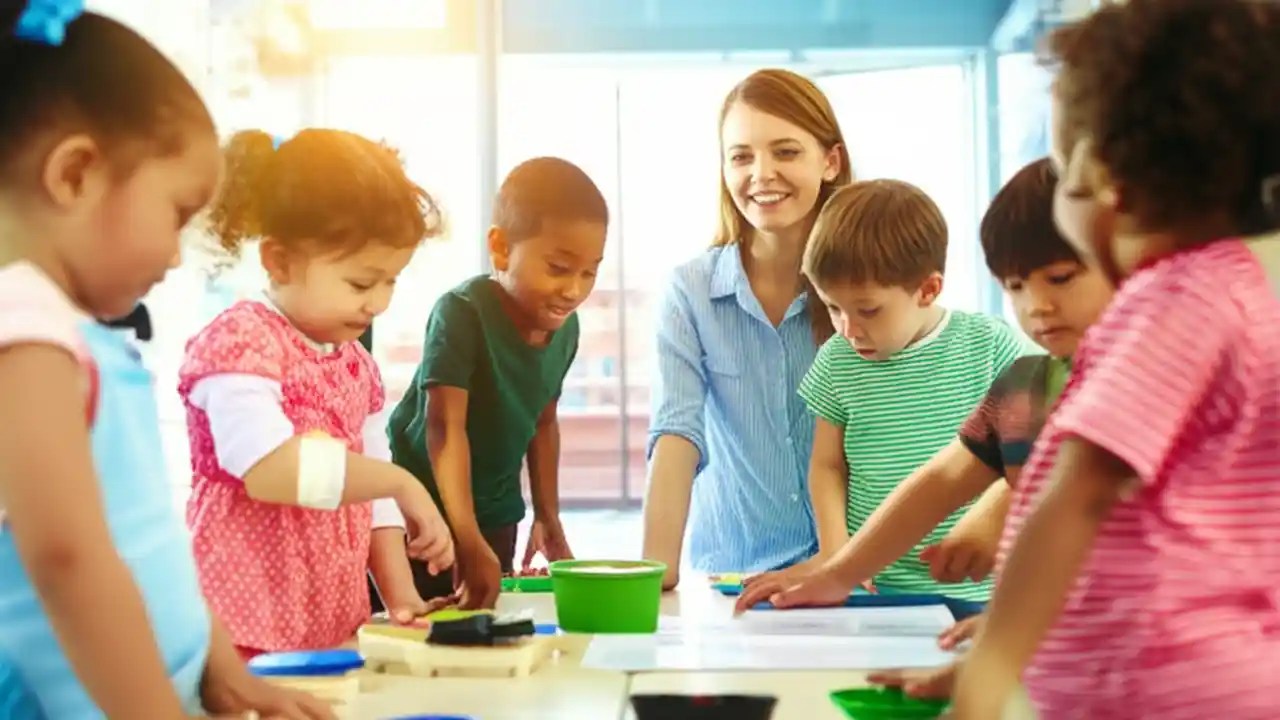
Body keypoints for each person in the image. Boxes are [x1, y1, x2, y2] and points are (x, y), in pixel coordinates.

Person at [0, 5, 331, 718]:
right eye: (176, 213)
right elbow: (67, 559)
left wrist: (218, 664)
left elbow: (141, 533)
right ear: (76, 175)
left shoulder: (70, 331)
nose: (178, 253)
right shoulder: (19, 322)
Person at [952, 1, 1280, 717]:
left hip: (1152, 687)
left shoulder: (1175, 298)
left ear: (1103, 181)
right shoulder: (1252, 292)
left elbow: (1082, 492)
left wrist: (986, 678)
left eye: (1064, 168)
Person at [742, 158, 1113, 696]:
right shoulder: (1028, 384)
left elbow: (1074, 505)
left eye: (1059, 279)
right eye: (1015, 285)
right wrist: (838, 571)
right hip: (1066, 658)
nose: (1037, 306)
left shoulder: (1132, 377)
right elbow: (944, 478)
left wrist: (994, 539)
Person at [179, 128, 454, 658]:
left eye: (390, 282)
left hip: (330, 618)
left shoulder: (357, 367)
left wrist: (402, 601)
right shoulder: (241, 343)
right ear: (278, 262)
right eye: (359, 283)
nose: (378, 302)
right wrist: (401, 482)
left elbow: (372, 497)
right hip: (239, 628)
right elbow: (272, 469)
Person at [738, 179, 1025, 606]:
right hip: (873, 588)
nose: (848, 330)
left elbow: (1027, 463)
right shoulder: (837, 359)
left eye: (868, 310)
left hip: (984, 591)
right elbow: (827, 466)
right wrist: (839, 556)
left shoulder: (991, 346)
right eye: (833, 308)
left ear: (928, 289)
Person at [642, 68, 851, 589]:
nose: (761, 174)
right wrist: (653, 575)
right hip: (734, 577)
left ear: (830, 161)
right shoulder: (690, 290)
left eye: (785, 152)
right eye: (741, 156)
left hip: (854, 573)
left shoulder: (867, 288)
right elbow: (676, 431)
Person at [387, 157, 608, 609]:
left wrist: (549, 516)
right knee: (419, 628)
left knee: (486, 627)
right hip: (422, 512)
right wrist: (463, 537)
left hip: (496, 513)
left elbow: (542, 422)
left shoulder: (565, 328)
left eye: (589, 272)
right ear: (502, 248)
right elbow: (444, 429)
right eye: (559, 267)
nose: (573, 290)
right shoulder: (461, 313)